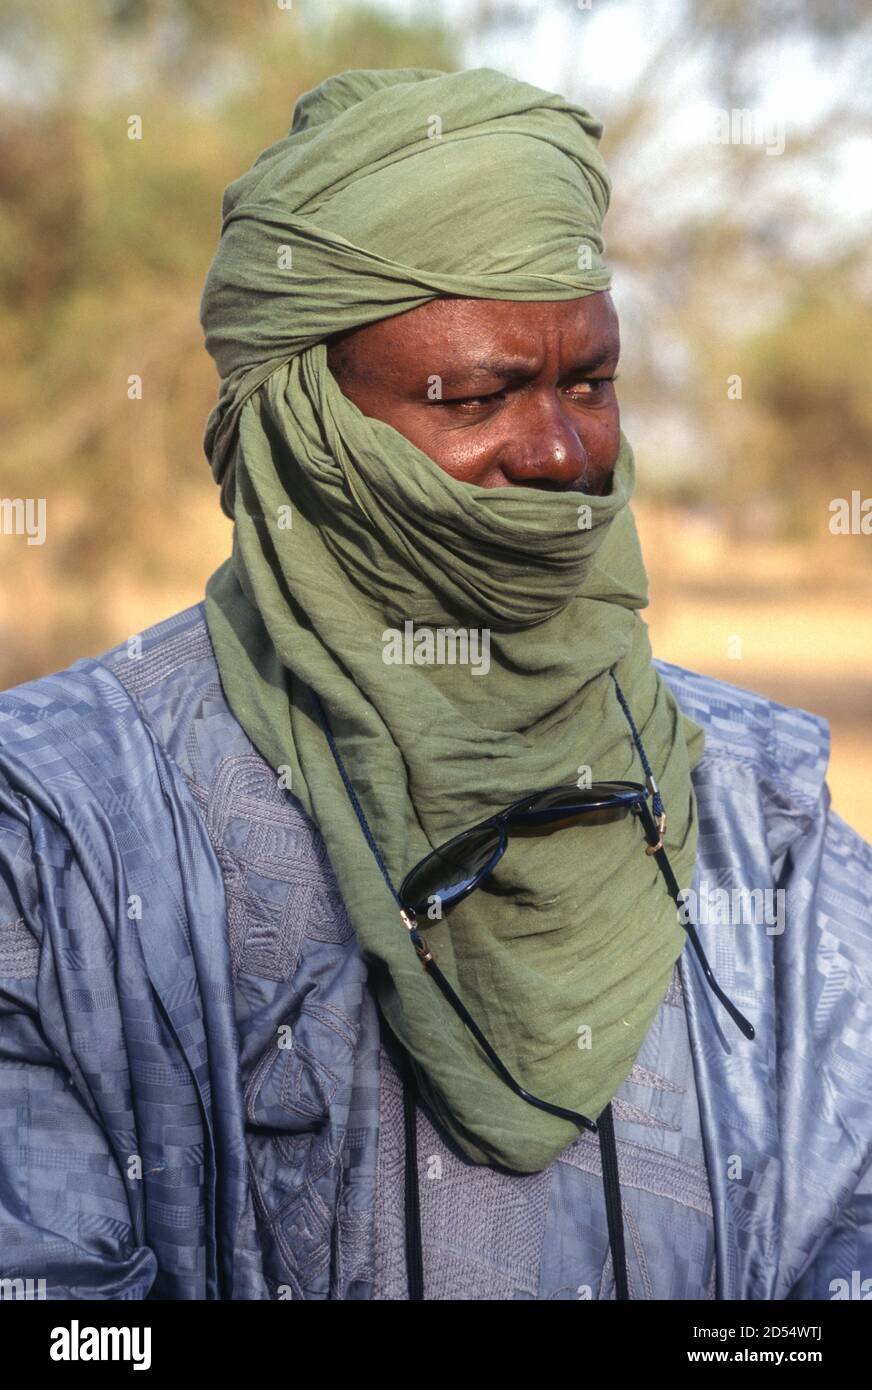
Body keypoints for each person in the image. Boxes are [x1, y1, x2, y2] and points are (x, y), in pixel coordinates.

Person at [0, 66, 870, 1303]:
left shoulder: (755, 806)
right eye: (474, 396)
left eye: (590, 383)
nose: (562, 455)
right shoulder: (56, 832)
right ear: (303, 422)